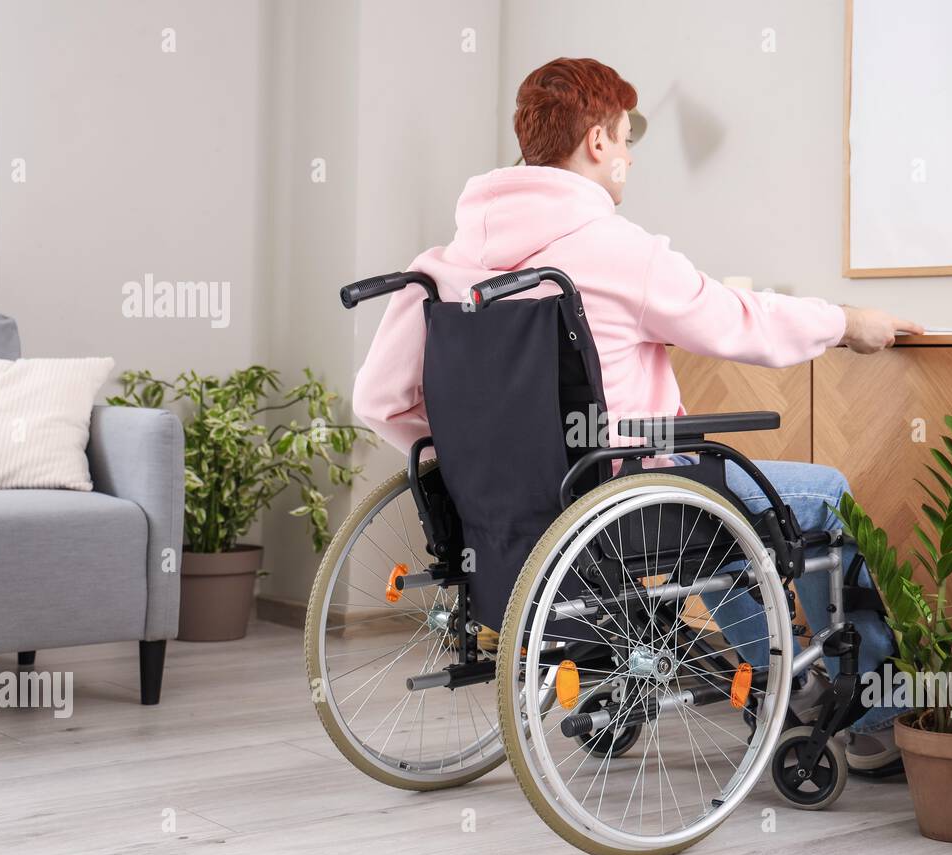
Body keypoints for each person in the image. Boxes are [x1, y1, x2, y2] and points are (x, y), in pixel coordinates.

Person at [353, 57, 923, 771]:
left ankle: (784, 687)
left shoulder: (442, 265)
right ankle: (870, 715)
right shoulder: (615, 249)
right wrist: (845, 321)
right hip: (628, 501)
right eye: (625, 140)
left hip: (507, 515)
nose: (627, 158)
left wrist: (478, 461)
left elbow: (377, 401)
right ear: (596, 142)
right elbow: (737, 321)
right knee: (821, 493)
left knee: (714, 516)